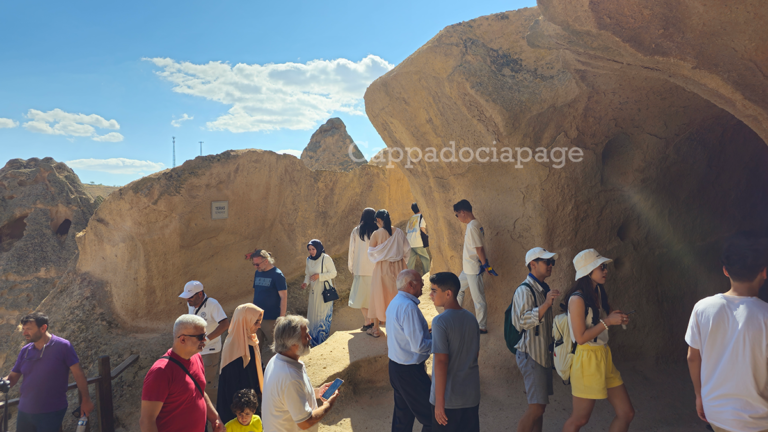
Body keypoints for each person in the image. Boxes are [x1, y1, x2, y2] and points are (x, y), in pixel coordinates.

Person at [685, 233, 768, 432]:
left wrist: (699, 395)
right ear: (764, 272)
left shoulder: (702, 308)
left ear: (725, 270)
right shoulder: (764, 315)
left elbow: (692, 357)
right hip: (759, 419)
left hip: (716, 414)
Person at [562, 249, 633, 432]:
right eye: (601, 267)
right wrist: (608, 321)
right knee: (579, 419)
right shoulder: (577, 299)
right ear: (588, 271)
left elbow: (605, 316)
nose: (605, 270)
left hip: (603, 356)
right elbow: (580, 337)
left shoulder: (598, 291)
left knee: (626, 413)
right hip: (586, 360)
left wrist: (618, 318)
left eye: (604, 266)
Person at [2, 312, 94, 432]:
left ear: (43, 328)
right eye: (23, 329)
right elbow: (12, 377)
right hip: (25, 411)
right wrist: (3, 382)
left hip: (51, 411)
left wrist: (86, 400)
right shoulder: (25, 350)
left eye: (29, 329)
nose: (24, 333)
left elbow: (79, 375)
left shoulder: (63, 346)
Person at [140, 314, 225, 432]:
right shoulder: (161, 372)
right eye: (201, 336)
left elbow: (199, 391)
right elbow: (147, 421)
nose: (205, 339)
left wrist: (215, 417)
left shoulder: (196, 358)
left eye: (205, 335)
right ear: (183, 339)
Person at [262, 315, 339, 432]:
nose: (309, 337)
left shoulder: (277, 360)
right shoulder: (290, 377)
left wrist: (318, 392)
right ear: (292, 343)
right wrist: (328, 405)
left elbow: (292, 395)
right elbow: (305, 422)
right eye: (305, 335)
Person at [512, 248, 561, 432]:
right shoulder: (524, 290)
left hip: (541, 355)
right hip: (531, 354)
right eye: (547, 262)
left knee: (539, 408)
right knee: (537, 408)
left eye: (552, 262)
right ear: (533, 264)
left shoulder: (542, 288)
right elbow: (522, 322)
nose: (551, 265)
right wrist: (547, 304)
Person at [428, 272, 481, 432]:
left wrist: (439, 402)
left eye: (434, 291)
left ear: (448, 293)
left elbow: (441, 362)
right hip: (470, 396)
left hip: (449, 400)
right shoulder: (472, 318)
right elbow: (475, 355)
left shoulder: (440, 321)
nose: (430, 295)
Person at [386, 269, 433, 432]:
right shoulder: (408, 307)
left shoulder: (396, 302)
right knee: (433, 417)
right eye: (421, 281)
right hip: (410, 372)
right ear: (411, 284)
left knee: (403, 418)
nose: (423, 284)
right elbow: (418, 346)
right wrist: (440, 343)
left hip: (397, 368)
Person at [180, 280, 230, 401]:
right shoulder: (191, 304)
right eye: (186, 297)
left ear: (200, 294)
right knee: (195, 381)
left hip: (210, 350)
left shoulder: (213, 304)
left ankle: (214, 409)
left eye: (190, 297)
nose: (187, 300)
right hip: (195, 350)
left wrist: (206, 339)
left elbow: (225, 324)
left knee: (207, 384)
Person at [453, 199, 496, 334]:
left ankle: (481, 326)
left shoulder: (472, 226)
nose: (458, 217)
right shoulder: (475, 224)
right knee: (457, 289)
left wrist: (485, 265)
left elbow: (479, 248)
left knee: (478, 298)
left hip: (473, 268)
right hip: (468, 268)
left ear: (463, 212)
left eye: (457, 214)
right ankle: (454, 317)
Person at [218, 304, 265, 424]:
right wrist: (242, 411)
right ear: (244, 322)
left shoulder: (252, 340)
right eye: (256, 322)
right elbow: (230, 385)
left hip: (252, 405)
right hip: (238, 411)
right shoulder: (232, 346)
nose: (259, 326)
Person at [367, 209, 411, 338]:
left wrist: (383, 256)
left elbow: (371, 254)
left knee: (379, 295)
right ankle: (399, 327)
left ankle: (376, 328)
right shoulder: (399, 232)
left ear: (378, 220)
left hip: (382, 267)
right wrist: (401, 260)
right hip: (399, 266)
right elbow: (407, 249)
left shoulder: (376, 234)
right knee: (399, 295)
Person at [249, 249, 287, 366]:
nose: (255, 267)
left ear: (266, 261)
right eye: (254, 264)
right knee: (255, 346)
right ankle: (257, 372)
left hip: (271, 318)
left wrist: (281, 317)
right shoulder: (258, 272)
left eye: (257, 264)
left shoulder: (277, 275)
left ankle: (279, 370)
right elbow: (257, 293)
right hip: (256, 318)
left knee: (276, 347)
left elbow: (283, 297)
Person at [301, 239, 338, 346]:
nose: (311, 251)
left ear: (318, 248)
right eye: (309, 249)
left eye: (313, 249)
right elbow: (308, 274)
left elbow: (333, 273)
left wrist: (319, 276)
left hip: (324, 292)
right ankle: (313, 342)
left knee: (322, 316)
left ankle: (322, 342)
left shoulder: (325, 258)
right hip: (313, 292)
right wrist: (305, 283)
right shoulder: (308, 260)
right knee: (313, 316)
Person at [348, 208, 377, 331]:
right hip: (375, 269)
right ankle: (374, 321)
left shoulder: (356, 231)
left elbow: (352, 250)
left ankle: (367, 321)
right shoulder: (377, 230)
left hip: (360, 269)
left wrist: (351, 267)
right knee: (373, 297)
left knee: (361, 298)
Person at [406, 203, 431, 275]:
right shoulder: (422, 216)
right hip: (418, 242)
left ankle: (408, 277)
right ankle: (427, 275)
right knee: (425, 259)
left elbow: (407, 230)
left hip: (409, 243)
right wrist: (427, 236)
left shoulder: (411, 218)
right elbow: (422, 227)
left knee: (410, 262)